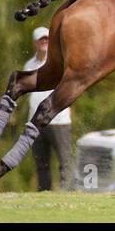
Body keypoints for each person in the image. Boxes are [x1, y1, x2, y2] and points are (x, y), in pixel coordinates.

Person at [23, 26, 74, 191]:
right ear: (35, 43)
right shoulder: (29, 64)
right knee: (41, 162)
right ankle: (44, 191)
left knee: (65, 160)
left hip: (59, 119)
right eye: (41, 39)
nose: (44, 42)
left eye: (46, 39)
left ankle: (67, 191)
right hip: (36, 121)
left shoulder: (59, 61)